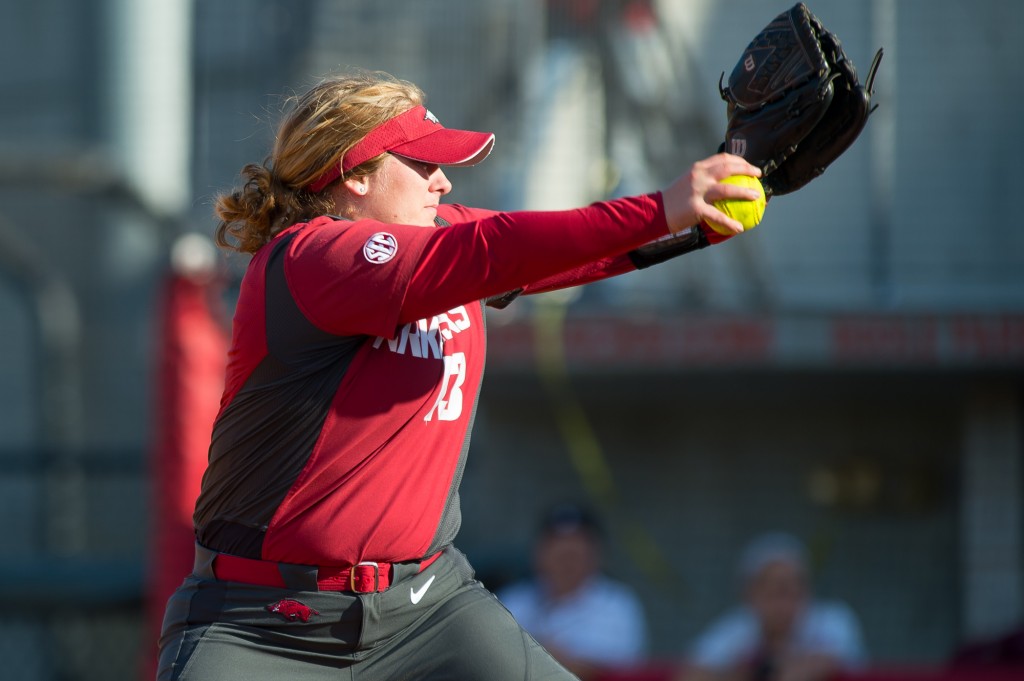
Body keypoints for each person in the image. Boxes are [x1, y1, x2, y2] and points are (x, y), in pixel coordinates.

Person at [156, 69, 762, 681]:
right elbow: (494, 248)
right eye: (421, 165)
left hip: (426, 610)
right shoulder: (312, 258)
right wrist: (659, 207)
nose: (443, 180)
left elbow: (555, 253)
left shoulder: (437, 235)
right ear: (355, 174)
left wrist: (698, 222)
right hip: (263, 624)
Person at [678, 532, 867, 681]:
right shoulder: (740, 625)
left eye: (794, 588)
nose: (784, 603)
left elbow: (818, 664)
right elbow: (691, 673)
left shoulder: (834, 618)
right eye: (775, 591)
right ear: (750, 595)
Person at [497, 502, 649, 679]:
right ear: (538, 553)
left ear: (597, 554)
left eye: (576, 551)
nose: (567, 561)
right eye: (558, 549)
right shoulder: (513, 599)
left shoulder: (618, 604)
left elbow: (605, 669)